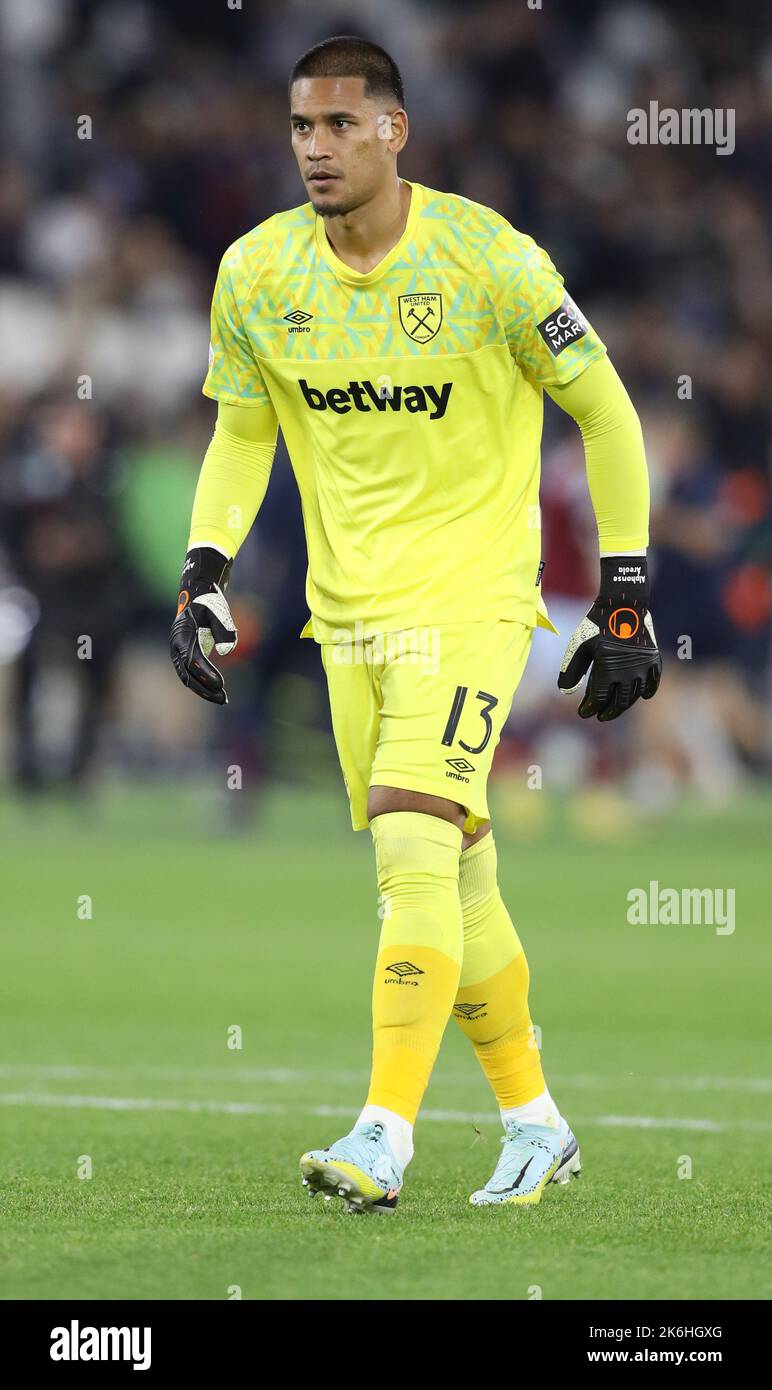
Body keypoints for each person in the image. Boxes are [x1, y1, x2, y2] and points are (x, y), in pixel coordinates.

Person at [170, 36, 661, 1214]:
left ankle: (382, 1135)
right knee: (461, 873)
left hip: (474, 601)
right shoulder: (257, 272)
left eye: (341, 125)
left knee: (407, 841)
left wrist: (626, 593)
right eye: (301, 127)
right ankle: (536, 1125)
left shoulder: (491, 260)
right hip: (347, 620)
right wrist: (203, 571)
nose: (316, 148)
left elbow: (605, 409)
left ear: (396, 131)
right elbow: (244, 432)